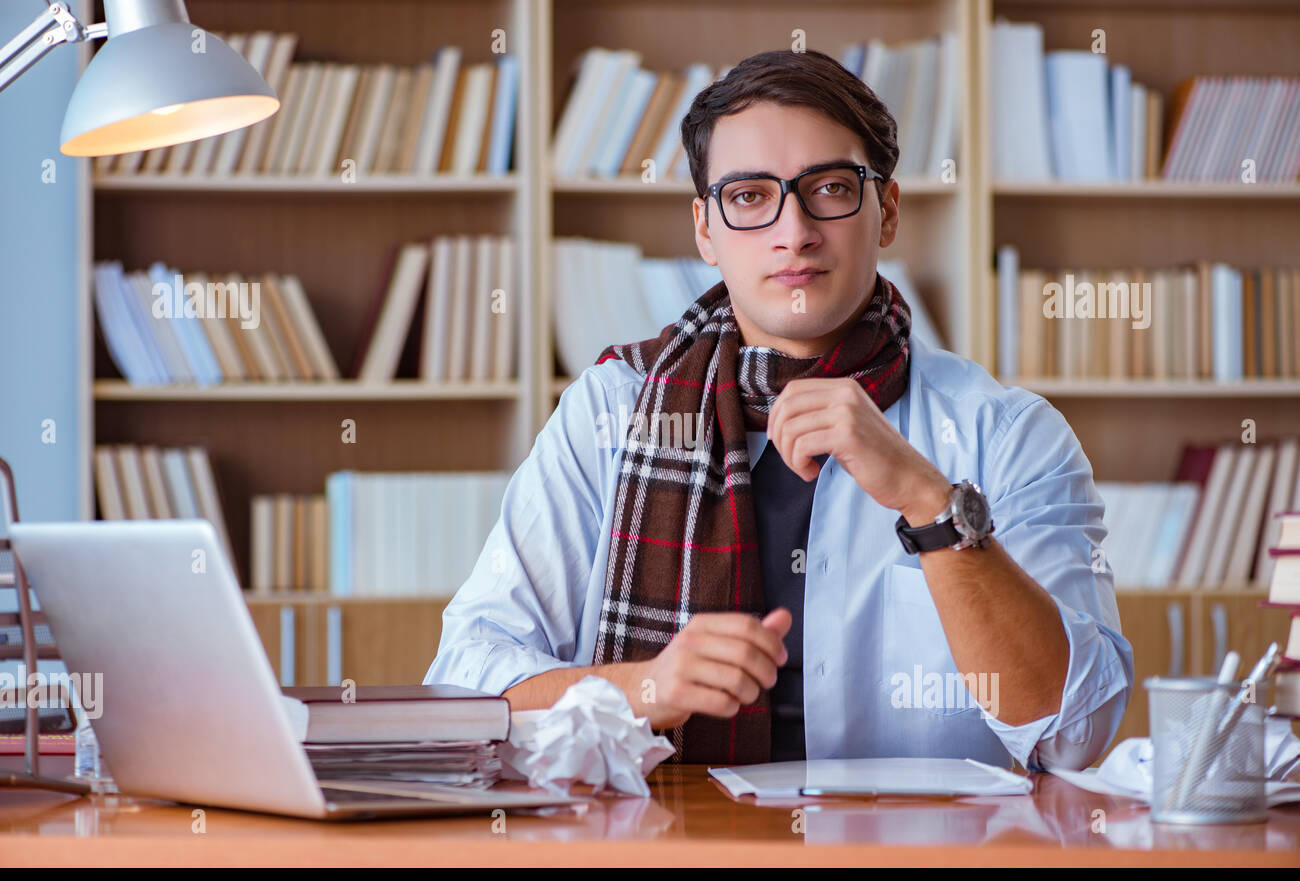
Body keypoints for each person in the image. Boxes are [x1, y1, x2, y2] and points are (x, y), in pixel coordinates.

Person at [425, 48, 1133, 770]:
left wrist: (931, 502)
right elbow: (461, 684)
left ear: (886, 211)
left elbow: (1075, 734)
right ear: (705, 228)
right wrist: (643, 687)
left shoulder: (1007, 433)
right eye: (750, 196)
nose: (793, 231)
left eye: (828, 187)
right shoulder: (611, 412)